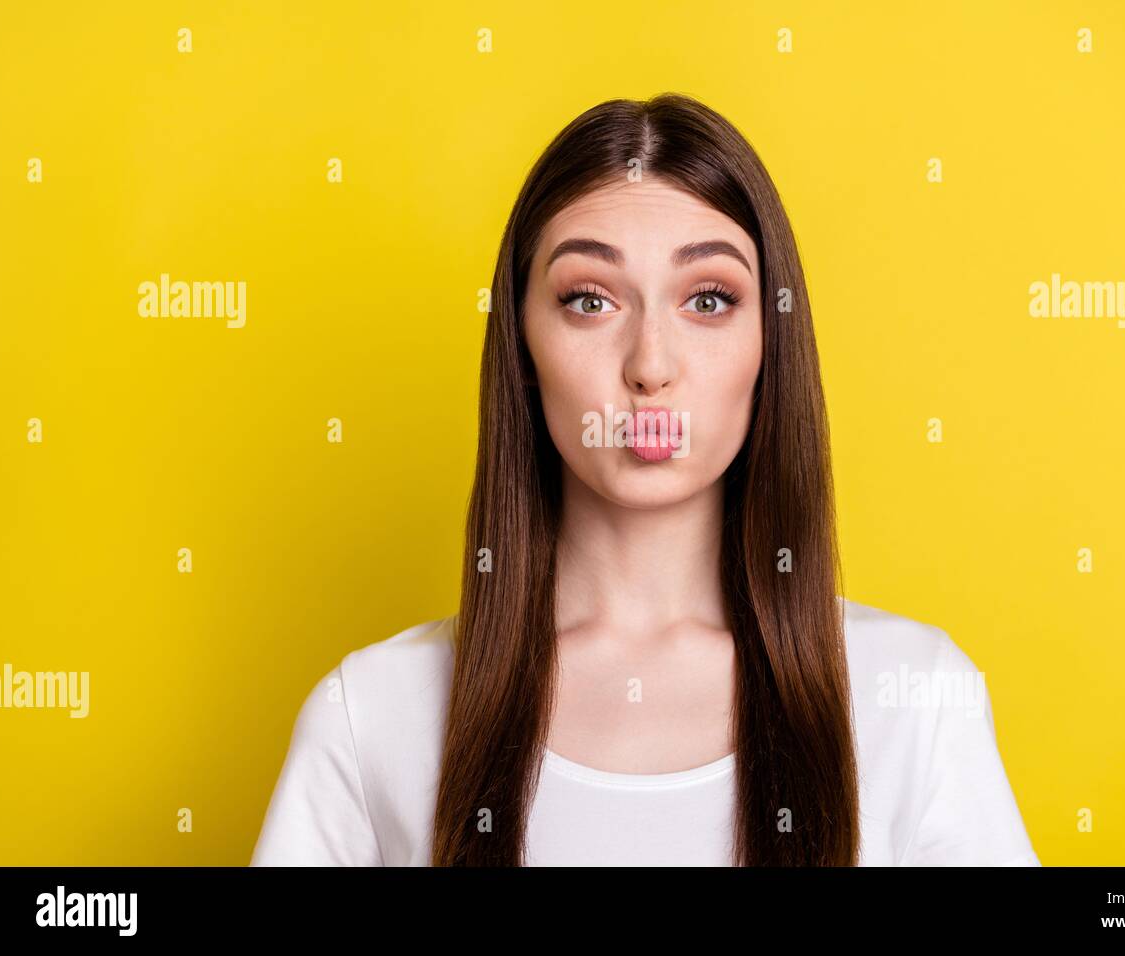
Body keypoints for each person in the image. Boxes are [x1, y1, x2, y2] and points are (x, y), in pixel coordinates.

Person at [251, 93, 1040, 867]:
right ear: (522, 348)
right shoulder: (372, 714)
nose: (650, 366)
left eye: (708, 299)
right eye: (589, 300)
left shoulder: (916, 701)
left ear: (771, 341)